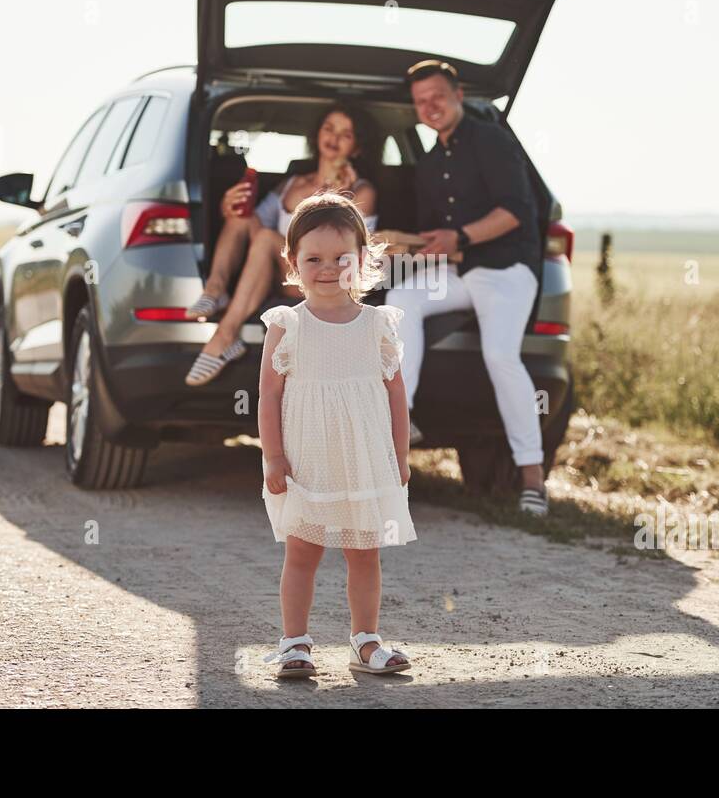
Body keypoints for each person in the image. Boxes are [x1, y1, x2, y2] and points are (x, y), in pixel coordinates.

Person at [257, 193, 415, 678]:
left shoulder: (377, 326)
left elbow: (395, 398)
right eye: (313, 259)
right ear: (292, 263)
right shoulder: (288, 325)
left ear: (363, 261)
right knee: (302, 553)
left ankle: (365, 641)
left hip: (363, 461)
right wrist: (274, 458)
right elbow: (269, 398)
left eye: (341, 259)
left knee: (364, 553)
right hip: (308, 460)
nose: (327, 269)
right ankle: (295, 643)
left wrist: (400, 458)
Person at [385, 59, 550, 516]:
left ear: (459, 95)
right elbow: (436, 235)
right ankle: (402, 420)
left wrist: (458, 239)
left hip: (506, 269)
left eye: (437, 96)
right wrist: (408, 249)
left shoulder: (492, 140)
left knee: (500, 355)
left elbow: (516, 211)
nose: (430, 106)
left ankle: (533, 478)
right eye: (421, 102)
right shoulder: (431, 162)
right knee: (402, 298)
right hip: (459, 271)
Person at [185, 103, 381, 386]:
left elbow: (352, 249)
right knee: (242, 217)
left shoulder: (361, 190)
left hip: (323, 277)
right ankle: (215, 291)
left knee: (267, 239)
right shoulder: (292, 184)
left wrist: (338, 198)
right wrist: (228, 207)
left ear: (357, 148)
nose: (334, 138)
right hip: (280, 269)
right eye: (329, 128)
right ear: (316, 136)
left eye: (346, 134)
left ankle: (225, 336)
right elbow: (253, 221)